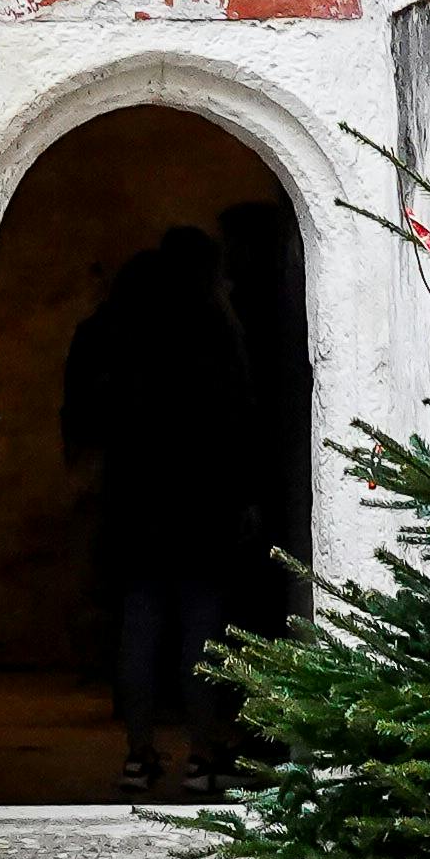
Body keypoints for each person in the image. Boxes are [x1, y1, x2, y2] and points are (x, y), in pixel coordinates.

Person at [61, 226, 252, 797]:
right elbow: (239, 416)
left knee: (138, 627)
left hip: (136, 497)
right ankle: (200, 754)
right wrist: (245, 496)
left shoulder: (118, 327)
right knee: (201, 628)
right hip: (202, 498)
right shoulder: (214, 328)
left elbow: (84, 417)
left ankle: (139, 754)